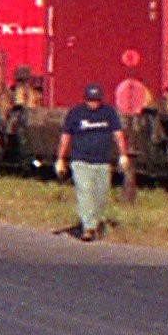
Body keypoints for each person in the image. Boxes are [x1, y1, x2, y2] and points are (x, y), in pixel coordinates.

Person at [60, 82, 125, 239]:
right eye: (90, 100)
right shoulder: (75, 114)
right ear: (85, 99)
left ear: (100, 100)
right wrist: (61, 158)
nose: (93, 103)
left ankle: (95, 223)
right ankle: (88, 228)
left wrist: (123, 155)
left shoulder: (109, 113)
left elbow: (118, 134)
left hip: (102, 161)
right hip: (81, 160)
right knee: (85, 191)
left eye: (96, 100)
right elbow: (66, 136)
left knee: (100, 195)